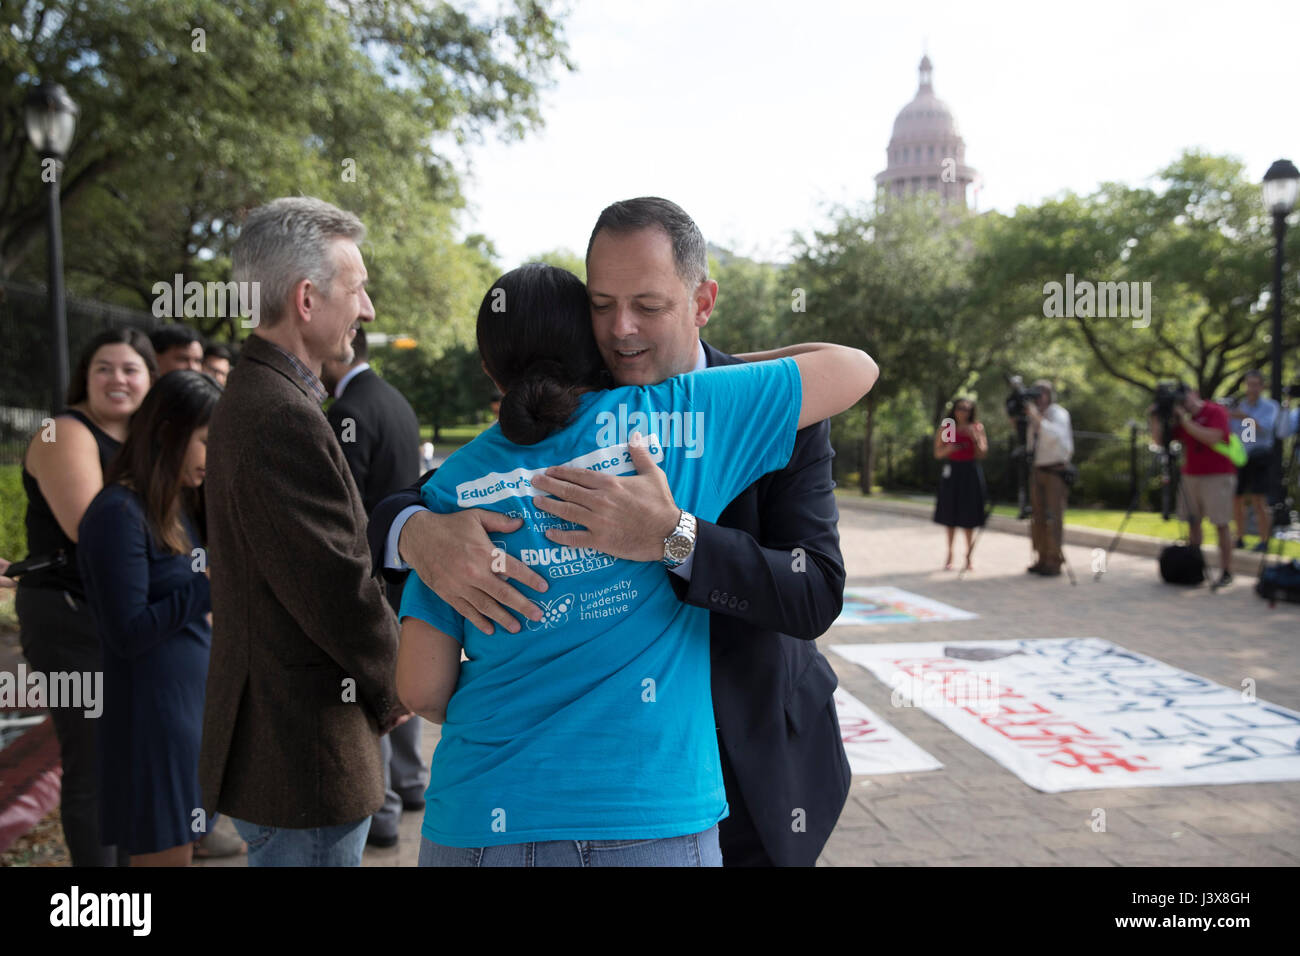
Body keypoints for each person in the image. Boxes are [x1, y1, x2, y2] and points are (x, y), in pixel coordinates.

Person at [370, 197, 855, 867]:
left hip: (752, 758)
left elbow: (814, 595)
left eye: (649, 307)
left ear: (702, 301)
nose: (622, 331)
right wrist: (416, 531)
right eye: (601, 305)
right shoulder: (578, 391)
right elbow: (414, 498)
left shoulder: (774, 405)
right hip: (623, 798)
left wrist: (674, 536)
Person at [199, 197, 408, 867]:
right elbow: (336, 588)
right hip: (303, 756)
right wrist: (400, 682)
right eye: (358, 288)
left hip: (287, 751)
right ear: (307, 299)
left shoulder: (265, 396)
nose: (368, 309)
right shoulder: (277, 414)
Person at [10, 328, 156, 866]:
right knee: (94, 764)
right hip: (70, 620)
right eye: (104, 367)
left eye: (130, 368)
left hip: (122, 618)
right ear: (84, 376)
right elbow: (96, 533)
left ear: (149, 380)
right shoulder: (62, 432)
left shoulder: (142, 442)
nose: (117, 378)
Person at [77, 371, 221, 866]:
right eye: (207, 441)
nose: (214, 456)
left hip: (182, 712)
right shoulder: (118, 512)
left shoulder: (173, 505)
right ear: (168, 433)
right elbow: (128, 632)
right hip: (152, 723)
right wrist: (207, 586)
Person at [321, 327, 428, 848]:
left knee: (373, 692)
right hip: (403, 566)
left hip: (369, 570)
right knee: (400, 676)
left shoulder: (346, 412)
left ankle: (383, 813)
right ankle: (410, 785)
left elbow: (345, 509)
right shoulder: (394, 400)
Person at [1151, 387, 1235, 588]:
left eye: (1185, 397)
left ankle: (1227, 571)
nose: (1183, 402)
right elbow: (1160, 441)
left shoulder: (1215, 411)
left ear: (1195, 394)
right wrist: (1155, 417)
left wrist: (1185, 421)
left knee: (1221, 524)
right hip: (1191, 476)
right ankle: (1194, 569)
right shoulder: (1182, 418)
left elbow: (1214, 437)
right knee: (1192, 522)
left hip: (1217, 475)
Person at [1021, 380, 1073, 576]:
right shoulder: (1033, 415)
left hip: (1055, 471)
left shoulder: (1058, 413)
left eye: (1040, 393)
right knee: (1038, 517)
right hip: (1037, 470)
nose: (1038, 398)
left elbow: (1055, 435)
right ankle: (1041, 557)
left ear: (1048, 395)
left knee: (1054, 517)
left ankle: (1054, 559)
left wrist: (1035, 415)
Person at [932, 398, 987, 571]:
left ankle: (968, 556)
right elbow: (938, 453)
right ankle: (950, 554)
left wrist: (976, 438)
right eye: (960, 408)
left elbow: (983, 453)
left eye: (967, 409)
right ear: (954, 410)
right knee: (950, 513)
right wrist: (949, 449)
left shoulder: (977, 427)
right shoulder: (947, 427)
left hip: (970, 472)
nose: (963, 412)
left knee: (969, 514)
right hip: (952, 472)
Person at [1227, 370, 1279, 551]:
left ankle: (1264, 541)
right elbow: (1233, 433)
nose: (1252, 388)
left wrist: (1244, 417)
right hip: (1242, 457)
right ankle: (1239, 538)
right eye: (1249, 384)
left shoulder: (1270, 406)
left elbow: (1265, 428)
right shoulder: (1240, 406)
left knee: (1259, 499)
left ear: (1262, 386)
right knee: (1237, 498)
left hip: (1260, 456)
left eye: (1256, 384)